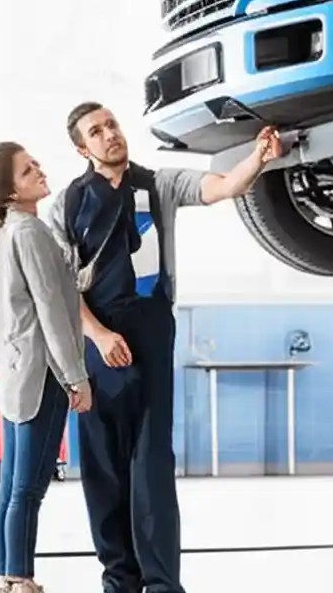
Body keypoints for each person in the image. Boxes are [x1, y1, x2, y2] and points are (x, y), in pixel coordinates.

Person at [46, 102, 282, 593]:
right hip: (95, 342)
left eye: (112, 124)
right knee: (103, 467)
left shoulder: (157, 184)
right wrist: (99, 335)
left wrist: (258, 158)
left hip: (152, 331)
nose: (110, 134)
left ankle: (161, 584)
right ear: (81, 148)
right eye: (97, 131)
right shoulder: (66, 205)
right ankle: (120, 580)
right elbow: (60, 286)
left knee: (152, 460)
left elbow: (219, 187)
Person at [0, 141, 96, 593]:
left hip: (15, 374)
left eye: (35, 163)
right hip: (42, 376)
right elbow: (51, 313)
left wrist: (77, 274)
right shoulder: (30, 234)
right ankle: (22, 580)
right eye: (26, 171)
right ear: (8, 193)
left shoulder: (9, 235)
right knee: (29, 488)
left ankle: (6, 576)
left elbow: (41, 296)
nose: (38, 171)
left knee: (9, 486)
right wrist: (75, 376)